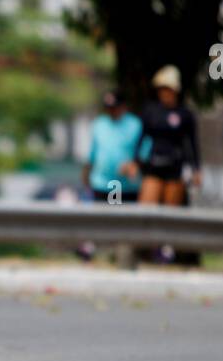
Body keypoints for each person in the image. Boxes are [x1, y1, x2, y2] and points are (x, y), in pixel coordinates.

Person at [136, 65, 201, 263]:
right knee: (147, 208)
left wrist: (196, 169)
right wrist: (135, 161)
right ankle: (147, 250)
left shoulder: (184, 114)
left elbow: (192, 144)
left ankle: (167, 251)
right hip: (154, 165)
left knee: (171, 213)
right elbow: (141, 138)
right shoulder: (151, 111)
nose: (166, 93)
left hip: (175, 167)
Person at [82, 90, 142, 203]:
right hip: (102, 184)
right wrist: (86, 177)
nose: (111, 111)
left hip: (126, 186)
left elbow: (144, 151)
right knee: (103, 219)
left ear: (123, 106)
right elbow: (91, 155)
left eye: (114, 107)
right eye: (108, 107)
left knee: (123, 219)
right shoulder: (99, 124)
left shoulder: (135, 124)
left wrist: (134, 164)